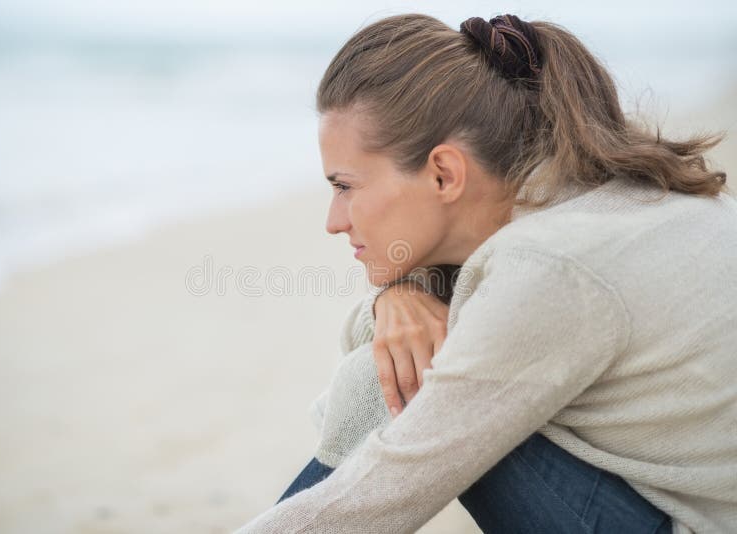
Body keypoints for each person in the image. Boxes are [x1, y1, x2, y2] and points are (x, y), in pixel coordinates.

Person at [237, 13, 737, 533]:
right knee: (410, 361)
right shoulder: (587, 198)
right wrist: (401, 291)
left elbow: (386, 491)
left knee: (403, 384)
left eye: (345, 187)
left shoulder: (551, 267)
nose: (333, 222)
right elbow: (370, 335)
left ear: (444, 174)